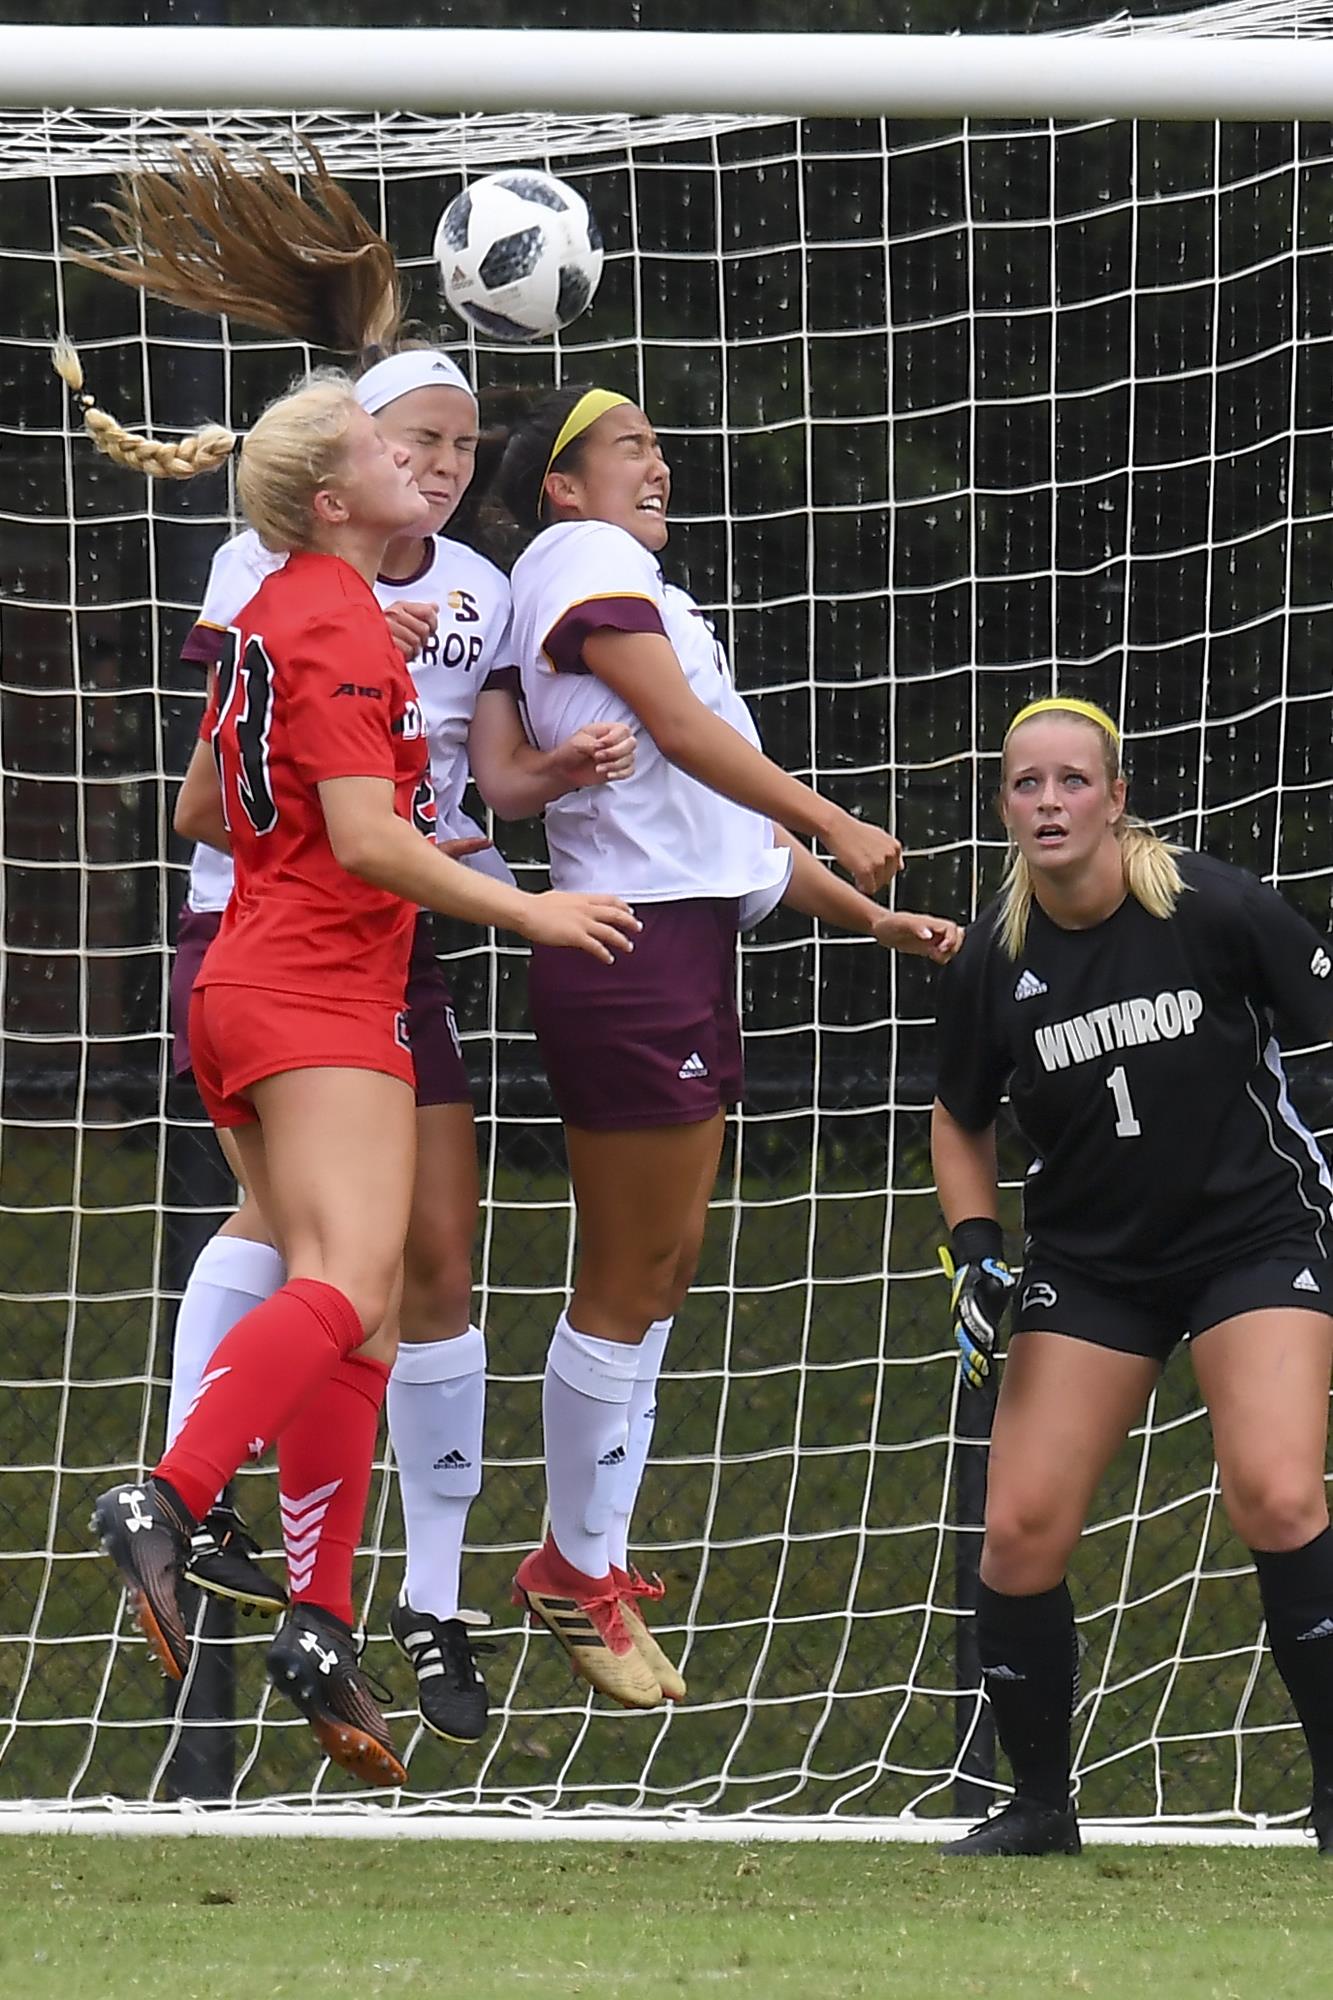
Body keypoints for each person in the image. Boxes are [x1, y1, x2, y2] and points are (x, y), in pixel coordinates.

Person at [67, 139, 635, 1745]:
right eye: (401, 453)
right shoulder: (329, 618)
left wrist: (361, 831)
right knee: (347, 1277)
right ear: (339, 495)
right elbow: (372, 837)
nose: (434, 470)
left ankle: (321, 1616)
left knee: (362, 1300)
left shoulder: (283, 615)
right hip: (315, 981)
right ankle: (171, 1496)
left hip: (262, 969)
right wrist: (518, 898)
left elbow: (206, 801)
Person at [495, 386, 964, 1709]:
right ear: (564, 487)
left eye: (656, 443)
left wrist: (865, 912)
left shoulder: (643, 591)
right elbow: (697, 743)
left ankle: (588, 1557)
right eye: (627, 445)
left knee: (664, 1266)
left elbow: (728, 829)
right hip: (629, 957)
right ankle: (569, 1570)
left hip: (679, 947)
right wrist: (846, 821)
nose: (657, 461)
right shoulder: (585, 564)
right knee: (629, 1268)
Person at [931, 695, 1333, 1857]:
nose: (1048, 802)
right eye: (1025, 784)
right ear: (1002, 804)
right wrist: (975, 1243)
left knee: (1276, 1490)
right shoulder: (996, 953)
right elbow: (956, 1119)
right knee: (1017, 1529)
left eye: (1070, 781)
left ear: (1115, 796)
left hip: (1248, 1237)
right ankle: (1040, 1805)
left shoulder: (1210, 905)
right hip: (1094, 1264)